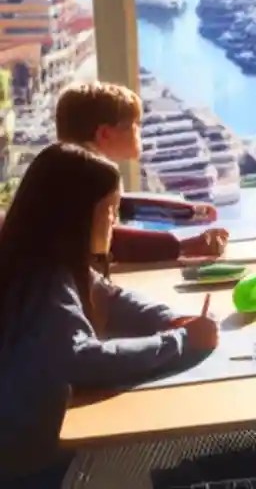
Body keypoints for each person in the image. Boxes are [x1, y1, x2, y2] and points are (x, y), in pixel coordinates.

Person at [0, 144, 219, 488]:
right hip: (32, 470)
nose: (114, 221)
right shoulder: (45, 282)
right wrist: (180, 341)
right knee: (173, 454)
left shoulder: (36, 256)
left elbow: (112, 297)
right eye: (110, 210)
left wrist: (168, 319)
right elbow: (84, 360)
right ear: (77, 215)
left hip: (31, 450)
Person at [54, 82, 228, 262]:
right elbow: (109, 241)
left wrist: (186, 211)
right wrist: (184, 246)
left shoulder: (68, 169)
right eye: (135, 125)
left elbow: (121, 206)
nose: (140, 131)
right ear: (105, 134)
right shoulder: (98, 174)